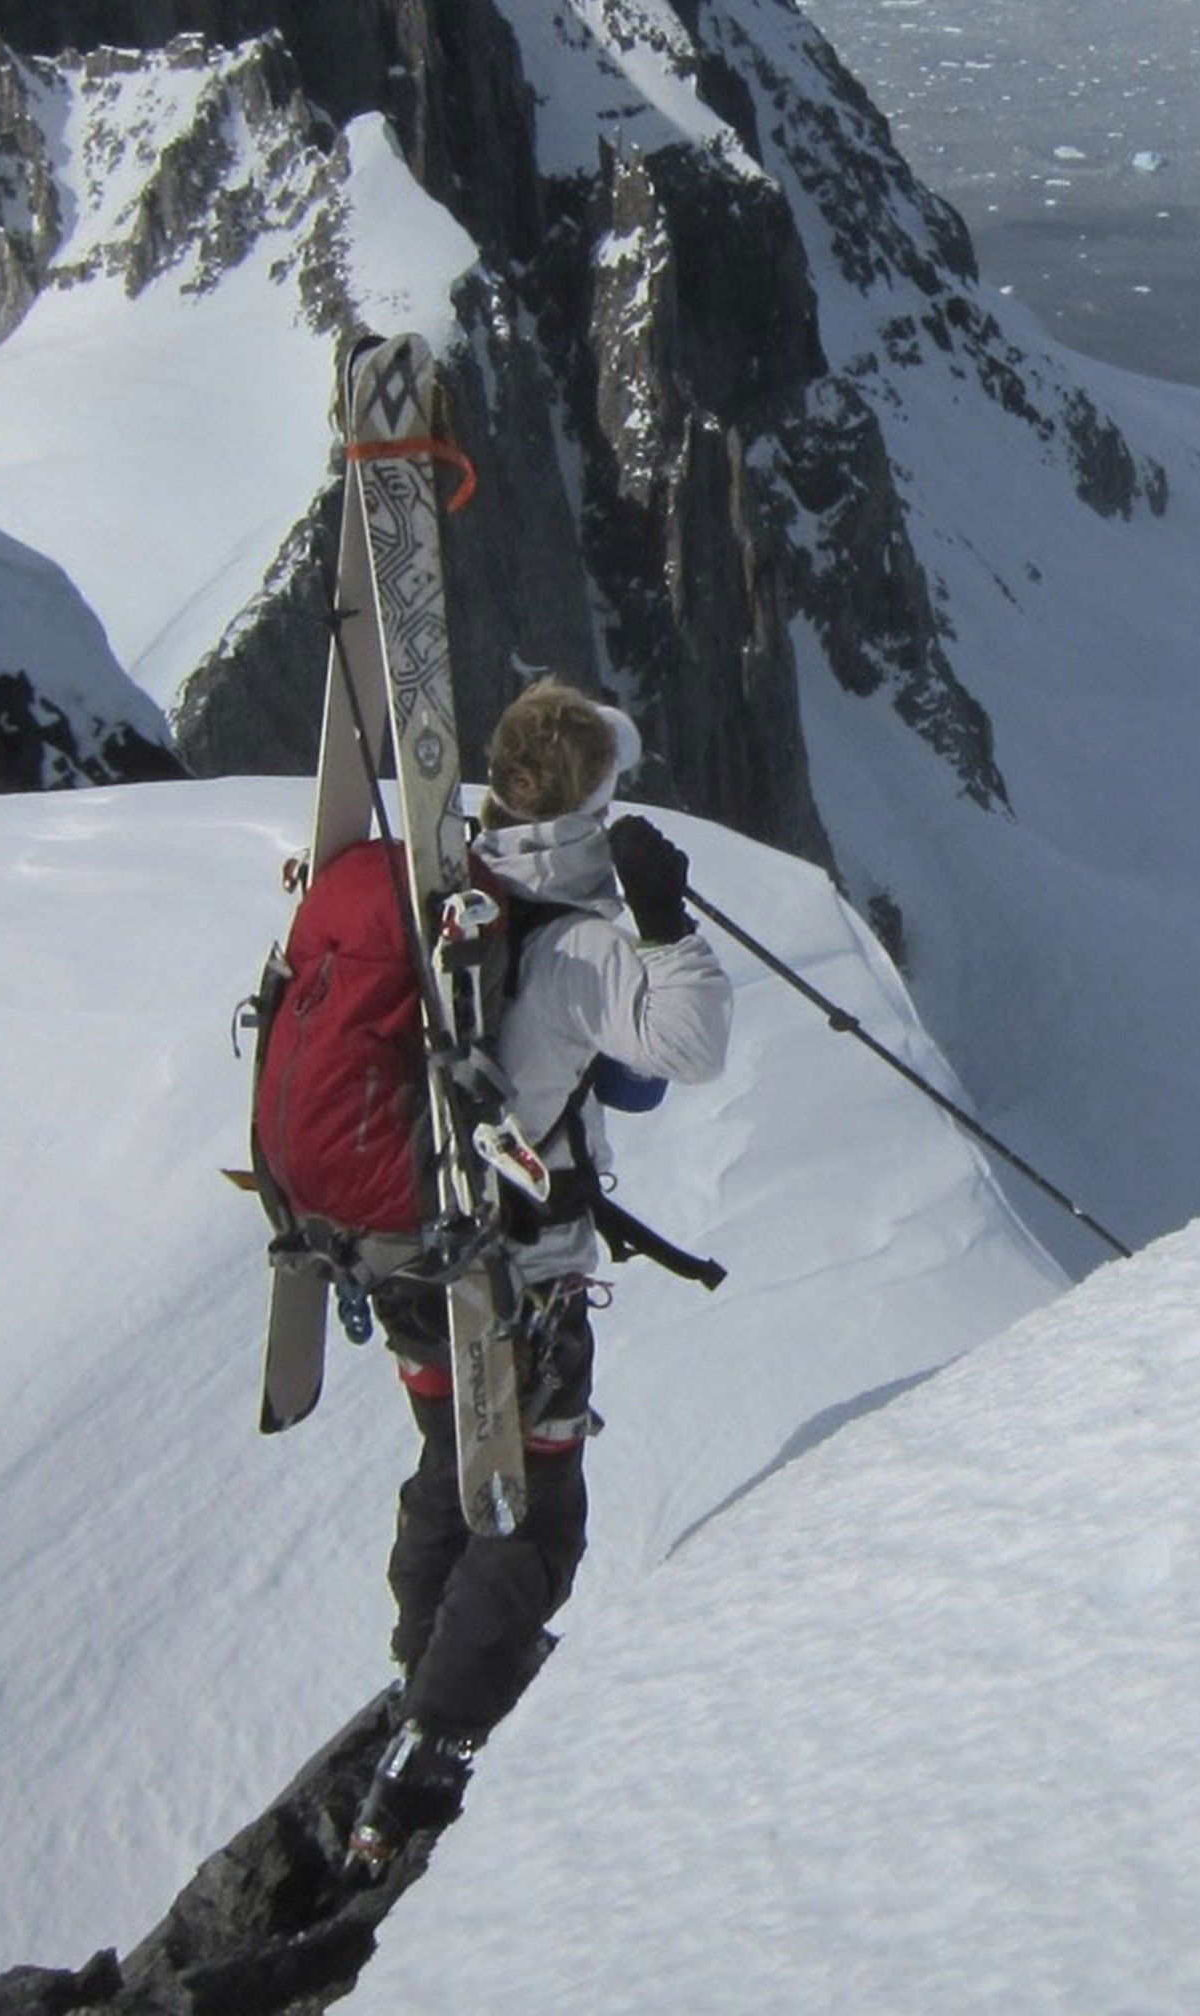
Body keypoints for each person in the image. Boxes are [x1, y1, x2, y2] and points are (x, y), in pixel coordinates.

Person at [350, 676, 732, 1869]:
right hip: (513, 1280)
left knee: (451, 1461)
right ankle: (439, 1746)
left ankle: (428, 1665)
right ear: (589, 804)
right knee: (533, 1512)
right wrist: (665, 921)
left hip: (404, 1251)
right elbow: (689, 1043)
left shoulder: (445, 894)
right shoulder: (571, 945)